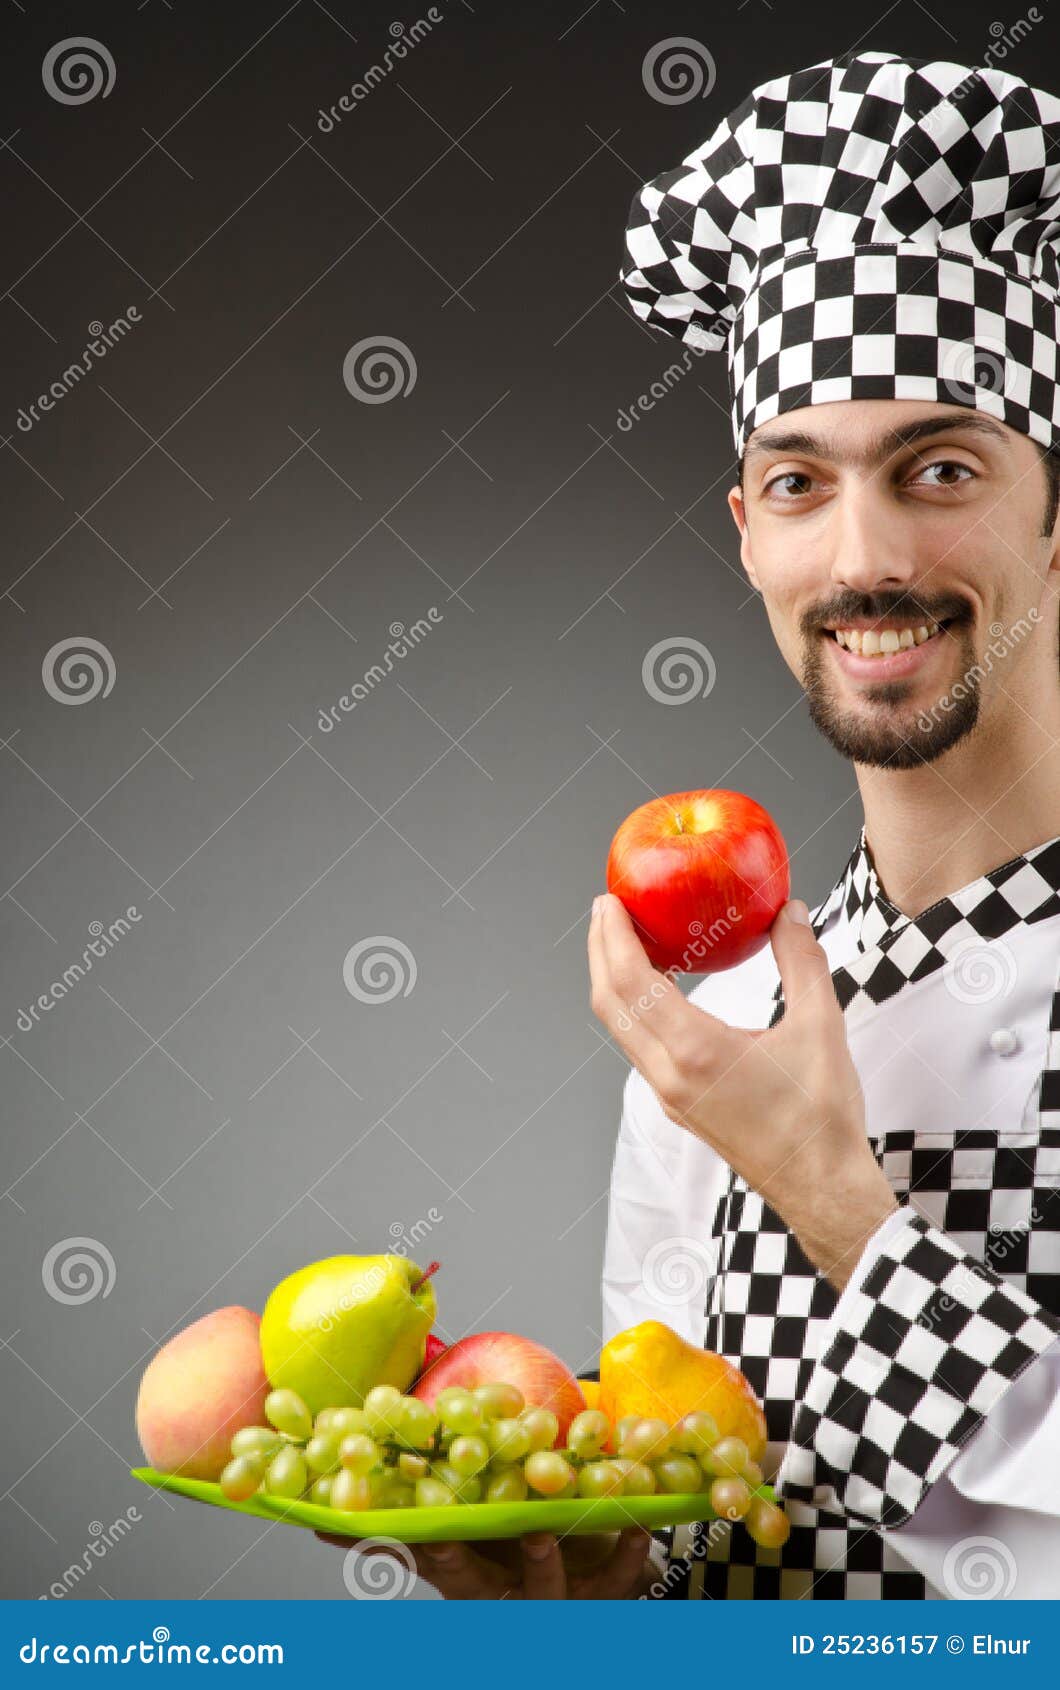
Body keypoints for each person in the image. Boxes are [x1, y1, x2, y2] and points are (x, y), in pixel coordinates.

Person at [322, 46, 1060, 1598]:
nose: (867, 557)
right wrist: (569, 1591)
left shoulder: (748, 1083)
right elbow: (685, 1519)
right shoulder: (718, 1020)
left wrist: (833, 1193)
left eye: (939, 466)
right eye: (800, 481)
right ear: (747, 535)